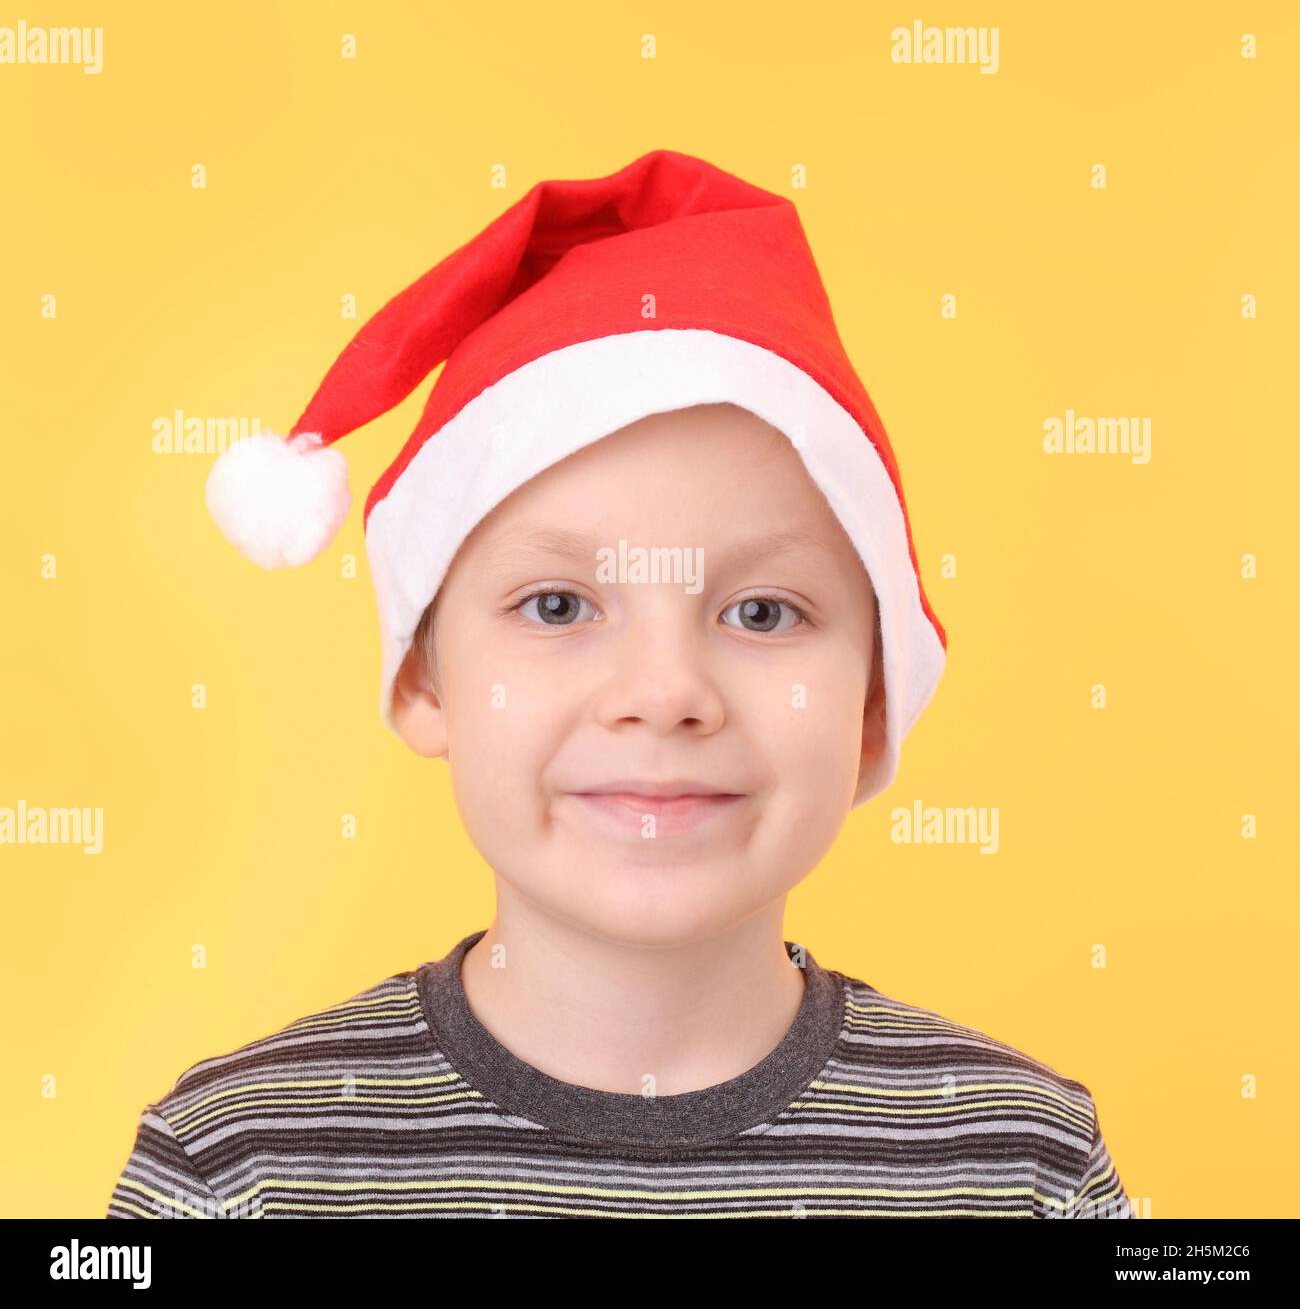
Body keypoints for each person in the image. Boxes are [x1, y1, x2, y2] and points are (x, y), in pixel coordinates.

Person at [107, 149, 1132, 1219]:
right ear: (422, 678)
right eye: (558, 606)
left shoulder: (1019, 1161)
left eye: (762, 612)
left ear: (875, 703)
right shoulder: (237, 1167)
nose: (663, 692)